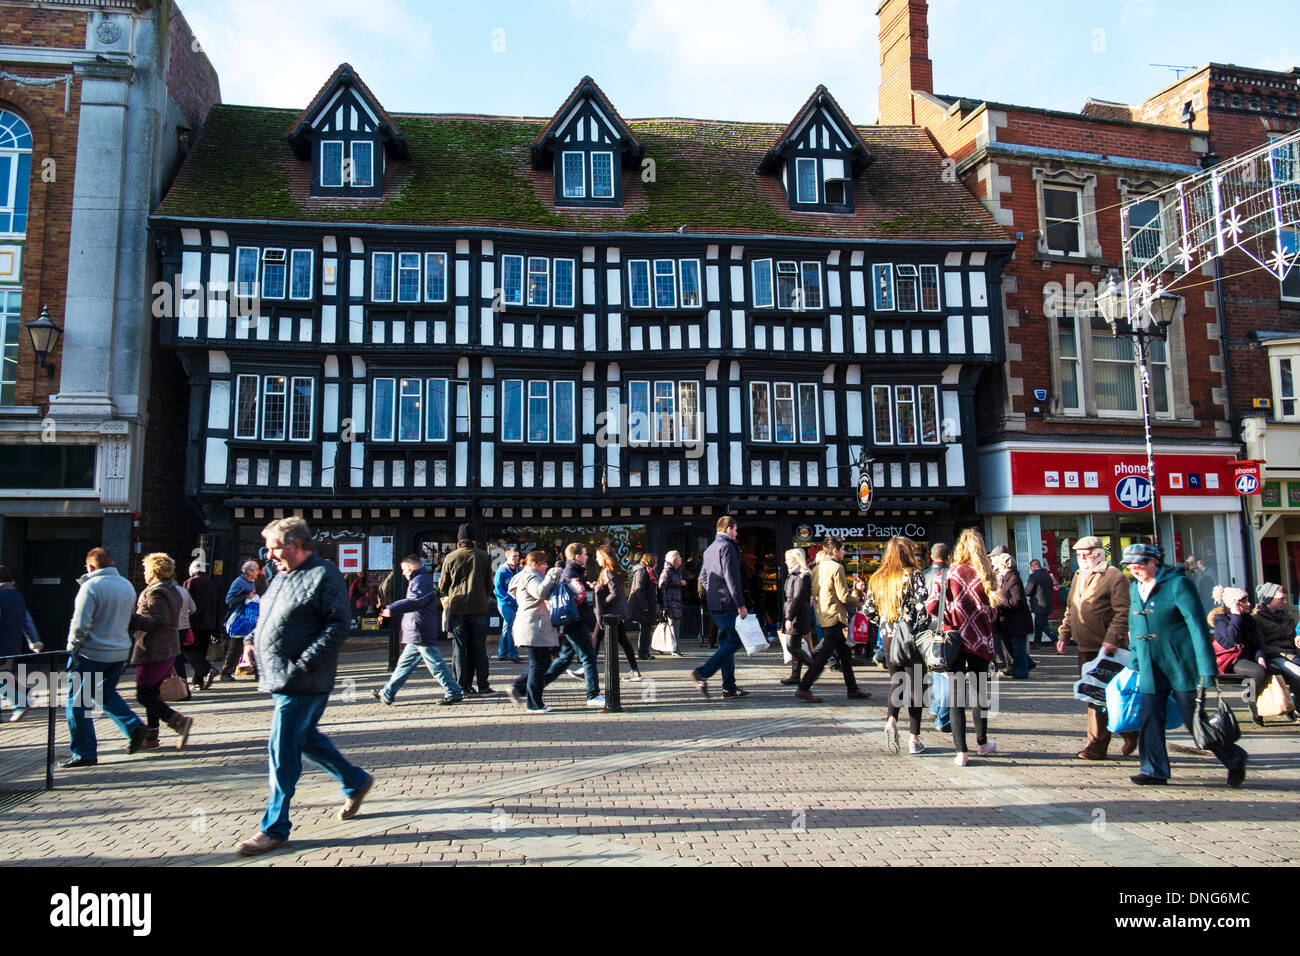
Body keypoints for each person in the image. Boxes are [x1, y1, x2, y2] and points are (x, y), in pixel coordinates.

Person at [236, 517, 373, 856]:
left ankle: (274, 828)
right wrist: (252, 641)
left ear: (295, 545)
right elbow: (268, 614)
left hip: (302, 679)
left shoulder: (323, 574)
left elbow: (338, 624)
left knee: (281, 751)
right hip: (283, 676)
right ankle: (355, 780)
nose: (269, 556)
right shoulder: (283, 575)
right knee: (306, 739)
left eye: (274, 548)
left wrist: (306, 661)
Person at [1123, 543, 1248, 788]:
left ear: (1153, 562)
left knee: (1193, 721)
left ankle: (1234, 758)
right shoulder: (1135, 588)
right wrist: (1135, 658)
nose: (1134, 570)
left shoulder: (1179, 584)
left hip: (1180, 663)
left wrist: (1207, 669)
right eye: (1130, 567)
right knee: (1149, 717)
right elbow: (1134, 623)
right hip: (1151, 664)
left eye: (1139, 565)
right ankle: (1154, 770)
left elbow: (1197, 626)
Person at [62, 548, 148, 766]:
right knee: (104, 693)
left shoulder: (90, 586)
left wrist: (71, 648)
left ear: (90, 567)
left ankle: (85, 752)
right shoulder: (126, 585)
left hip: (91, 653)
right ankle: (133, 725)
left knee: (76, 703)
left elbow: (80, 623)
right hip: (119, 652)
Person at [1056, 536, 1138, 760]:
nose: (1082, 558)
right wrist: (1064, 633)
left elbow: (1123, 613)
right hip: (1085, 646)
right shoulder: (1078, 576)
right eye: (1078, 555)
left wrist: (1112, 639)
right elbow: (1071, 608)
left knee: (1103, 696)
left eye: (1087, 554)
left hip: (1108, 649)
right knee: (1094, 695)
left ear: (1099, 554)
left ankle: (1097, 744)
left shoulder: (1114, 577)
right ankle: (1128, 731)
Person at [926, 528, 1000, 766]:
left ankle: (961, 752)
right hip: (980, 640)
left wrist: (950, 617)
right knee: (979, 694)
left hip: (954, 639)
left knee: (957, 696)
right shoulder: (987, 574)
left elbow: (931, 606)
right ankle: (982, 743)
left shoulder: (947, 575)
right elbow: (995, 612)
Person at [864, 536, 930, 754]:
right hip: (909, 636)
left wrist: (884, 623)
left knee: (897, 682)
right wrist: (920, 627)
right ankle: (914, 738)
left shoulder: (877, 578)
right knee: (916, 687)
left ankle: (891, 718)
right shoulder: (914, 575)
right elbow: (923, 608)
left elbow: (868, 610)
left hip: (888, 636)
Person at [374, 555, 463, 706]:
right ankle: (387, 693)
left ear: (411, 567)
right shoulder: (419, 579)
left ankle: (453, 691)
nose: (402, 573)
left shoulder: (421, 580)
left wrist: (391, 608)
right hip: (416, 631)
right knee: (404, 665)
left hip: (420, 630)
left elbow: (414, 602)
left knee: (435, 664)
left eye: (404, 569)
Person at [795, 535, 872, 703]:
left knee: (844, 654)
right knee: (823, 655)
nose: (844, 552)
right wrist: (858, 602)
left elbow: (814, 592)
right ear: (835, 550)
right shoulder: (837, 568)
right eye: (843, 549)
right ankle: (804, 687)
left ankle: (852, 688)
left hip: (823, 613)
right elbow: (844, 596)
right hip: (835, 615)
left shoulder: (817, 568)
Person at [129, 553, 193, 750]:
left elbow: (160, 620)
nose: (144, 572)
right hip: (167, 647)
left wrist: (131, 620)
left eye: (146, 569)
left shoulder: (155, 592)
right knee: (153, 694)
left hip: (154, 649)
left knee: (144, 695)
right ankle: (151, 737)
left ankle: (178, 722)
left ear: (154, 570)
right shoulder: (172, 590)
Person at [692, 516, 750, 699]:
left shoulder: (709, 549)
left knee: (727, 643)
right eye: (735, 529)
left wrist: (713, 593)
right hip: (728, 603)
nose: (737, 533)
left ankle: (729, 688)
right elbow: (732, 578)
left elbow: (702, 577)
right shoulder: (727, 547)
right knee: (734, 641)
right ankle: (703, 672)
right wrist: (740, 605)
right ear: (727, 529)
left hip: (714, 604)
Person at [439, 524, 495, 695]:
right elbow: (489, 584)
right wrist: (481, 596)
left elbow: (442, 586)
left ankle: (462, 685)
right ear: (473, 540)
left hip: (457, 608)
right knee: (479, 647)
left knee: (460, 648)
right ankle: (483, 685)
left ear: (459, 540)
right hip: (479, 607)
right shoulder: (484, 556)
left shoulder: (450, 557)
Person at [545, 543, 604, 707]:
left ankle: (529, 687)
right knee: (589, 657)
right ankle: (593, 695)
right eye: (584, 554)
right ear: (577, 556)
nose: (587, 557)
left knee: (564, 659)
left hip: (571, 621)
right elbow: (576, 599)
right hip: (575, 620)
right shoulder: (571, 573)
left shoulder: (572, 572)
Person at [507, 550, 565, 713]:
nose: (546, 566)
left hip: (532, 626)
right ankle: (533, 703)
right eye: (544, 563)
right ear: (535, 564)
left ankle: (521, 690)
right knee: (539, 665)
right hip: (532, 627)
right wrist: (552, 575)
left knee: (541, 663)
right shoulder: (531, 576)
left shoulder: (525, 576)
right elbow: (539, 592)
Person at [1210, 587, 1268, 726]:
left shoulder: (1248, 619)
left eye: (1248, 600)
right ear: (1233, 603)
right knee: (1259, 672)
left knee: (1273, 669)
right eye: (1244, 601)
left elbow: (1255, 643)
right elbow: (1231, 639)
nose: (1248, 604)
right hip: (1231, 660)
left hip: (1246, 657)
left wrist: (1260, 656)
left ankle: (1284, 706)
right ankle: (1252, 703)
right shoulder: (1220, 619)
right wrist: (1236, 616)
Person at [0, 566, 43, 722]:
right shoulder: (17, 595)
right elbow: (27, 620)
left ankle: (20, 701)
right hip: (12, 643)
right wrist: (34, 641)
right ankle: (22, 692)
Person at [594, 545, 642, 681]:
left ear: (604, 557)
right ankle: (635, 671)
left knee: (596, 638)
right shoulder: (614, 570)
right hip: (617, 612)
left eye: (598, 556)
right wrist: (598, 586)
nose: (596, 559)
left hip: (610, 613)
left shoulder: (607, 571)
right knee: (623, 640)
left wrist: (603, 602)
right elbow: (612, 589)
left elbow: (614, 593)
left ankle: (588, 669)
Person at [1251, 582, 1300, 704]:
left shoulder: (1287, 617)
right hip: (1274, 656)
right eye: (1281, 599)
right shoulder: (1257, 619)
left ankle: (1295, 702)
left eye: (1285, 598)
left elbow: (1293, 639)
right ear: (1269, 599)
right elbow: (1261, 645)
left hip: (1291, 655)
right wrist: (1286, 654)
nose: (1285, 602)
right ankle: (1297, 703)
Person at [992, 551, 1033, 679]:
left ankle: (1021, 672)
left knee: (1017, 645)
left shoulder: (1013, 578)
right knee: (1011, 644)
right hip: (1009, 620)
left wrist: (999, 601)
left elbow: (1018, 600)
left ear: (1004, 565)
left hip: (1016, 620)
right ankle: (1028, 663)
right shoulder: (1006, 577)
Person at [924, 542, 952, 733]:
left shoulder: (924, 574)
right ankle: (942, 715)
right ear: (948, 556)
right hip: (946, 625)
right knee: (946, 673)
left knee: (935, 668)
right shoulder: (951, 574)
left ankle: (935, 705)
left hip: (928, 626)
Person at [221, 560, 263, 680]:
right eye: (256, 569)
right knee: (236, 646)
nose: (259, 572)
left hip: (250, 619)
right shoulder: (239, 582)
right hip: (239, 618)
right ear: (250, 571)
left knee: (254, 644)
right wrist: (245, 596)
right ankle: (226, 673)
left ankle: (258, 673)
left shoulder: (252, 582)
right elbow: (229, 600)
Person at [184, 559, 221, 691]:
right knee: (202, 651)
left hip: (194, 622)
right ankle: (198, 681)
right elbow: (218, 605)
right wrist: (217, 628)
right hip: (209, 622)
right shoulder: (212, 584)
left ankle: (206, 671)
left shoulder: (190, 583)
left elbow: (186, 603)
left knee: (190, 649)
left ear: (192, 570)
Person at [780, 548, 815, 687]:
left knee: (792, 646)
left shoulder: (799, 576)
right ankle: (795, 675)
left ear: (795, 560)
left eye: (788, 559)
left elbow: (797, 598)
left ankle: (813, 667)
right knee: (795, 645)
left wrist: (789, 618)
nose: (785, 562)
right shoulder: (794, 575)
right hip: (795, 613)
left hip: (797, 616)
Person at [166, 573, 197, 697]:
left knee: (168, 660)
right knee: (178, 660)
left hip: (169, 630)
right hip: (183, 628)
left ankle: (173, 690)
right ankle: (184, 690)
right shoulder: (183, 591)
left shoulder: (163, 591)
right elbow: (193, 608)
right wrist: (184, 616)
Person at [628, 553, 661, 661]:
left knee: (646, 629)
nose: (656, 564)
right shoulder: (642, 571)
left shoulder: (649, 571)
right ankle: (643, 652)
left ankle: (644, 651)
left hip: (647, 604)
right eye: (655, 561)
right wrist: (645, 605)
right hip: (642, 606)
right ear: (650, 561)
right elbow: (639, 588)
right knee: (645, 629)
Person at [494, 548, 521, 662]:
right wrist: (510, 599)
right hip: (505, 604)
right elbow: (498, 590)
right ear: (507, 557)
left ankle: (501, 653)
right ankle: (512, 654)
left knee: (507, 628)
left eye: (517, 556)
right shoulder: (501, 571)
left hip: (516, 603)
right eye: (513, 556)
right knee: (512, 628)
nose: (516, 558)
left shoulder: (519, 570)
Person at [657, 551, 685, 657]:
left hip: (675, 602)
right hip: (670, 602)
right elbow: (662, 587)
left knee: (674, 626)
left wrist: (680, 582)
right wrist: (664, 605)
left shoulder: (676, 571)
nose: (681, 558)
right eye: (679, 557)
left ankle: (674, 647)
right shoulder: (667, 571)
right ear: (674, 560)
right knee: (673, 626)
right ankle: (674, 649)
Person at [1024, 559, 1057, 646]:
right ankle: (1036, 643)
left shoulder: (1033, 576)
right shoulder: (1047, 575)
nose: (1030, 569)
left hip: (1039, 605)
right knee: (1038, 625)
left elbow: (1028, 591)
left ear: (1033, 566)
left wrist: (1022, 592)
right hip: (1048, 604)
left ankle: (1057, 641)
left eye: (1031, 567)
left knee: (1043, 625)